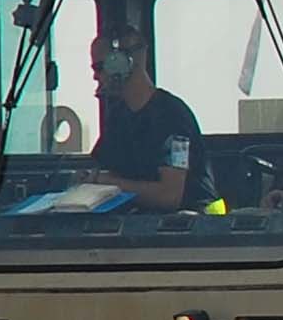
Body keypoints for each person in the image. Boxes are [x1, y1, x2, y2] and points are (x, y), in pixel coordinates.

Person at [85, 25, 216, 212]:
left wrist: (110, 184)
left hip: (193, 228)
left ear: (119, 64)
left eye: (99, 67)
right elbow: (106, 168)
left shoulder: (172, 117)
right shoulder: (118, 116)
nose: (95, 76)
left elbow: (170, 196)